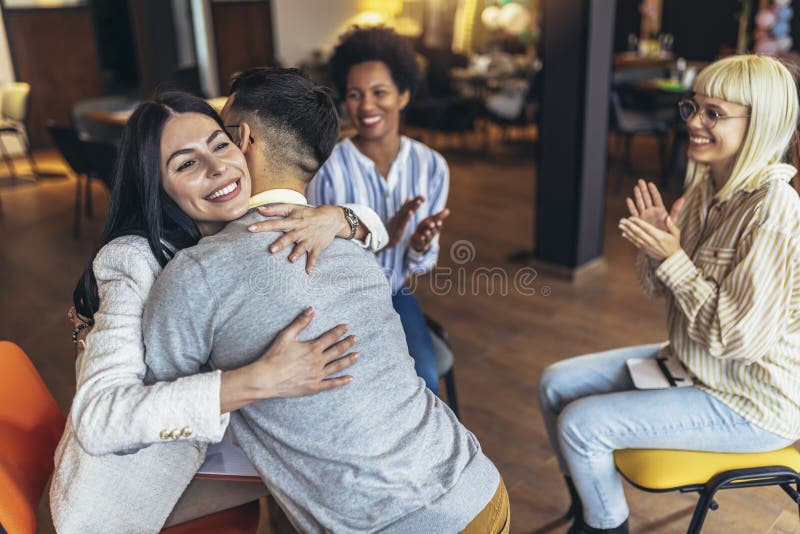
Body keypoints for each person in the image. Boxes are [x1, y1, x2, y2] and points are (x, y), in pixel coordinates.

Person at [143, 67, 508, 533]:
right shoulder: (349, 243)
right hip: (478, 489)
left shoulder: (198, 273)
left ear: (241, 140)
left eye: (219, 137)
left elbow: (153, 414)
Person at [50, 92, 389, 532]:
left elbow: (376, 230)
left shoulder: (241, 220)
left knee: (325, 451)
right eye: (186, 163)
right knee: (321, 471)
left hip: (216, 446)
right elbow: (99, 420)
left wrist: (338, 218)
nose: (217, 168)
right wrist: (260, 379)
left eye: (220, 145)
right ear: (157, 185)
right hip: (132, 486)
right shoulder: (132, 259)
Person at [538, 54, 800, 534]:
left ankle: (603, 527)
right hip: (694, 364)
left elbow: (737, 338)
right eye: (693, 108)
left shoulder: (775, 210)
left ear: (759, 122)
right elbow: (652, 289)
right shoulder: (706, 186)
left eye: (714, 113)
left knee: (581, 424)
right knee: (554, 383)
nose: (694, 123)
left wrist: (674, 258)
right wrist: (659, 246)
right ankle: (594, 503)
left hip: (750, 400)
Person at [308, 26, 450, 395]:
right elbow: (321, 262)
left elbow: (421, 265)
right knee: (355, 392)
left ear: (403, 96)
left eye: (379, 92)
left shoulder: (431, 167)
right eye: (355, 95)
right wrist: (383, 237)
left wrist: (418, 245)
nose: (366, 106)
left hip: (395, 295)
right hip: (338, 303)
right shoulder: (329, 167)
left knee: (425, 382)